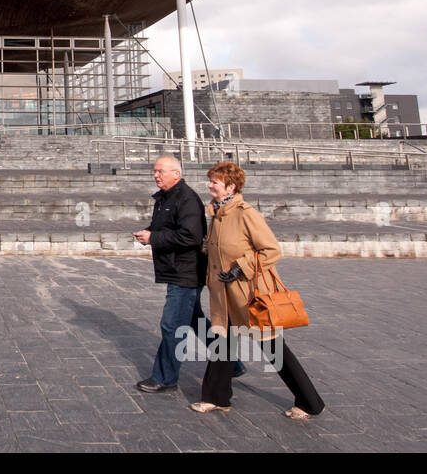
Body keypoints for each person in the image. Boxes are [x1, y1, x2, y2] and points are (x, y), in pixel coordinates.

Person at [191, 161, 325, 420]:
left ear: (230, 187)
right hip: (224, 295)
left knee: (273, 348)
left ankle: (310, 402)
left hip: (248, 295)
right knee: (224, 344)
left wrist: (241, 267)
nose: (210, 186)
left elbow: (271, 250)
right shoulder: (218, 214)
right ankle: (215, 398)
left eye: (214, 182)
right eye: (211, 181)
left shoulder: (245, 213)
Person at [133, 156, 243, 393]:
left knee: (172, 325)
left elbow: (190, 237)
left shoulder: (186, 199)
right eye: (155, 171)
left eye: (161, 171)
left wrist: (153, 238)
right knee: (194, 320)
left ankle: (165, 378)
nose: (156, 175)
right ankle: (231, 364)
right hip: (175, 268)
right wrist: (149, 233)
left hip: (186, 271)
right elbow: (166, 228)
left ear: (176, 173)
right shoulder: (164, 199)